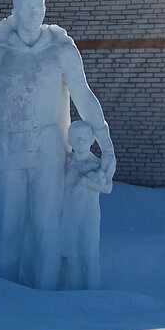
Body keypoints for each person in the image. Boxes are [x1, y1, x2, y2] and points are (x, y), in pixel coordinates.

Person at [0, 0, 115, 290]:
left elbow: (84, 95)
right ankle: (5, 298)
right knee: (9, 230)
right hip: (9, 148)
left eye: (38, 5)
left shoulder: (61, 49)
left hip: (48, 149)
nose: (33, 12)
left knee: (46, 227)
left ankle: (45, 302)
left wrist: (106, 145)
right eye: (26, 6)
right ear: (15, 9)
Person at [60, 120, 113, 290]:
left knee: (90, 259)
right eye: (76, 138)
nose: (81, 142)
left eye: (84, 138)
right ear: (70, 140)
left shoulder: (96, 165)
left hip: (88, 218)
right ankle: (75, 298)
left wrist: (85, 182)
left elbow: (107, 188)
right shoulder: (65, 163)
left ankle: (92, 297)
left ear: (92, 140)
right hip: (68, 217)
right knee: (73, 260)